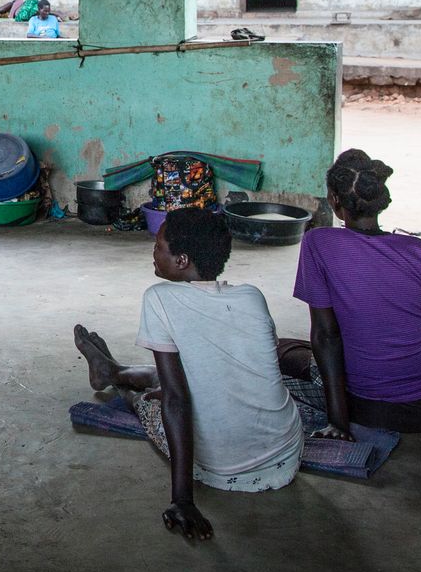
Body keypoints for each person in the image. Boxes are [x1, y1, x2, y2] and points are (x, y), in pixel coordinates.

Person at [74, 208, 303, 541]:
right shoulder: (251, 296)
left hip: (224, 468)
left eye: (159, 244)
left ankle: (118, 382)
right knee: (188, 371)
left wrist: (182, 500)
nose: (153, 249)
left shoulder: (159, 299)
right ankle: (115, 369)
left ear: (181, 260)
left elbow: (177, 399)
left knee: (160, 397)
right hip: (286, 450)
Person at [278, 149, 421, 435]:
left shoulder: (319, 243)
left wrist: (338, 422)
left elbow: (327, 336)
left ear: (334, 201)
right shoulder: (420, 251)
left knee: (281, 351)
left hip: (366, 409)